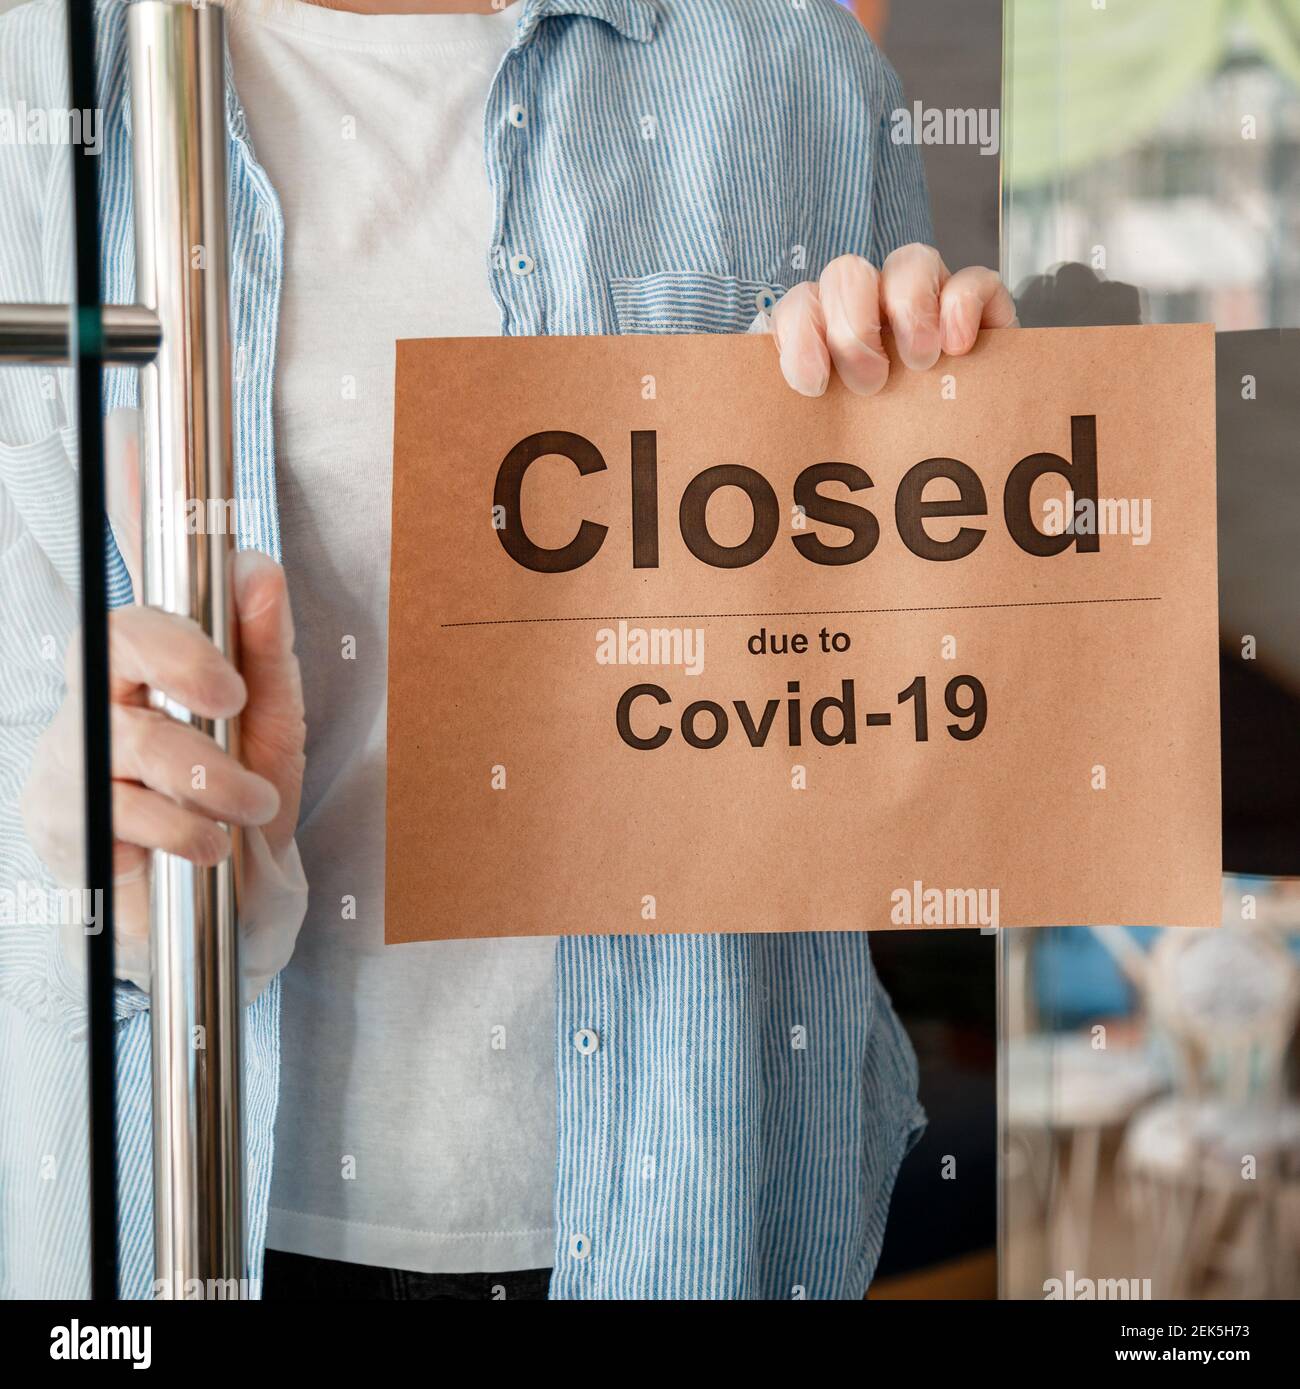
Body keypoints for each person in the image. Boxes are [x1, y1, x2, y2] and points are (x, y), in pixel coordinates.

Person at [5, 0, 1015, 1300]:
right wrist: (101, 876)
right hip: (177, 1193)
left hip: (701, 1192)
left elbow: (898, 723)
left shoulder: (788, 63)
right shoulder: (42, 81)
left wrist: (965, 435)